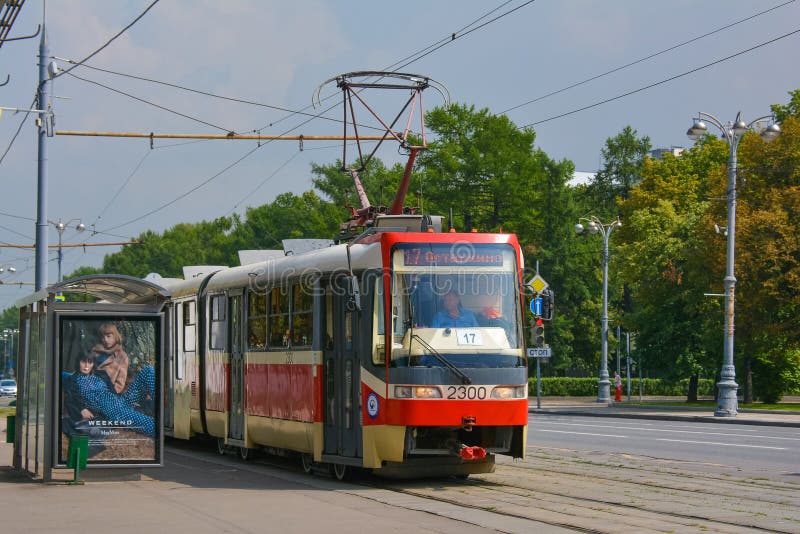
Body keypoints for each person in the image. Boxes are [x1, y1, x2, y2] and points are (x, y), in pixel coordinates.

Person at [62, 351, 155, 437]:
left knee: (148, 370)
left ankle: (160, 408)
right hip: (111, 410)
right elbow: (70, 399)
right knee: (150, 423)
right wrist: (82, 409)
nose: (86, 366)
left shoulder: (100, 374)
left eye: (89, 362)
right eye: (83, 362)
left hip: (122, 401)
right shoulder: (73, 380)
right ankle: (161, 428)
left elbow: (113, 391)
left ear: (93, 363)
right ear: (78, 362)